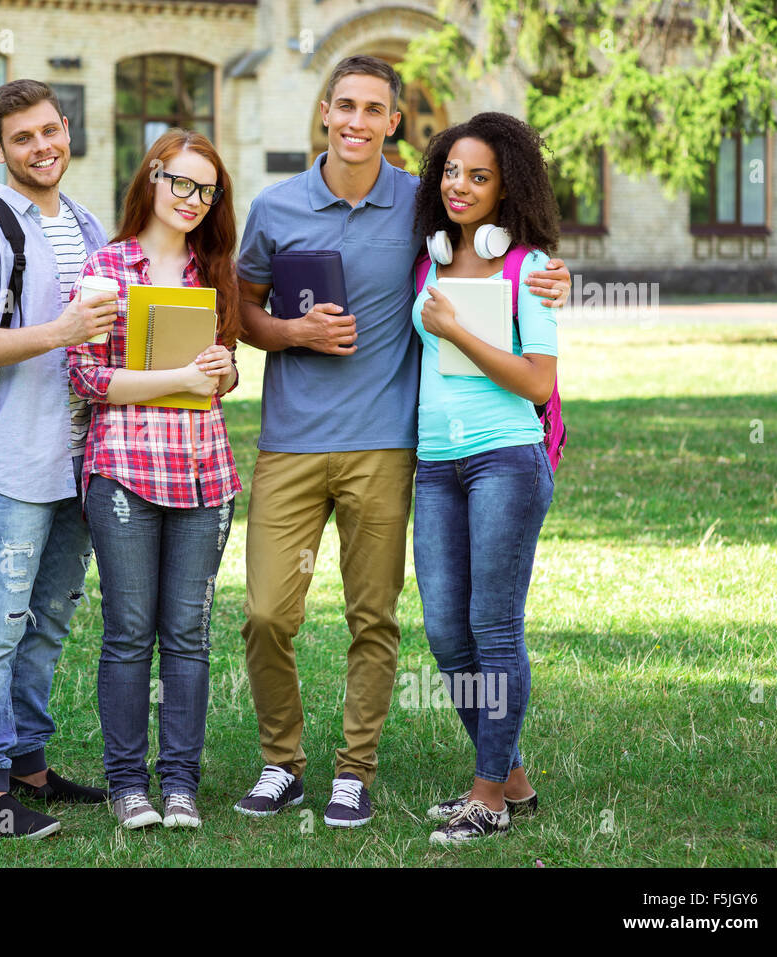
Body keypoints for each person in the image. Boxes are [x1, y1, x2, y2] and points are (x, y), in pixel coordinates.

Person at [232, 55, 570, 828]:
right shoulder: (298, 211)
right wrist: (291, 330)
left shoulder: (433, 223)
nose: (356, 121)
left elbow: (516, 279)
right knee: (284, 616)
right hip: (333, 447)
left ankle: (391, 777)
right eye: (343, 105)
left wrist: (552, 275)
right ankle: (291, 763)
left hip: (421, 450)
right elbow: (242, 307)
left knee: (405, 620)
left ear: (393, 122)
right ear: (324, 111)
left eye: (373, 109)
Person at [0, 79, 118, 839]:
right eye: (23, 138)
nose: (42, 147)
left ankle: (30, 765)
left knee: (46, 625)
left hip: (80, 465)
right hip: (11, 464)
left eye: (51, 131)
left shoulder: (86, 221)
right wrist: (61, 329)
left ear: (66, 128)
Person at [67, 129, 241, 830]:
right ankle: (126, 785)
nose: (192, 200)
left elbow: (221, 375)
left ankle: (180, 786)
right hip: (126, 474)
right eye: (181, 183)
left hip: (205, 475)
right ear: (153, 177)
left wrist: (224, 372)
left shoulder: (215, 269)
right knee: (130, 632)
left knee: (190, 636)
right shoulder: (108, 268)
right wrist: (179, 378)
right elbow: (84, 373)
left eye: (207, 190)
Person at [411, 112, 559, 844]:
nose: (460, 186)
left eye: (479, 176)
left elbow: (537, 382)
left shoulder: (528, 269)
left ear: (507, 188)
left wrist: (459, 330)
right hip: (435, 465)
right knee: (445, 632)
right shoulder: (429, 260)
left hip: (505, 458)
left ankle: (487, 796)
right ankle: (514, 778)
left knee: (493, 627)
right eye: (451, 172)